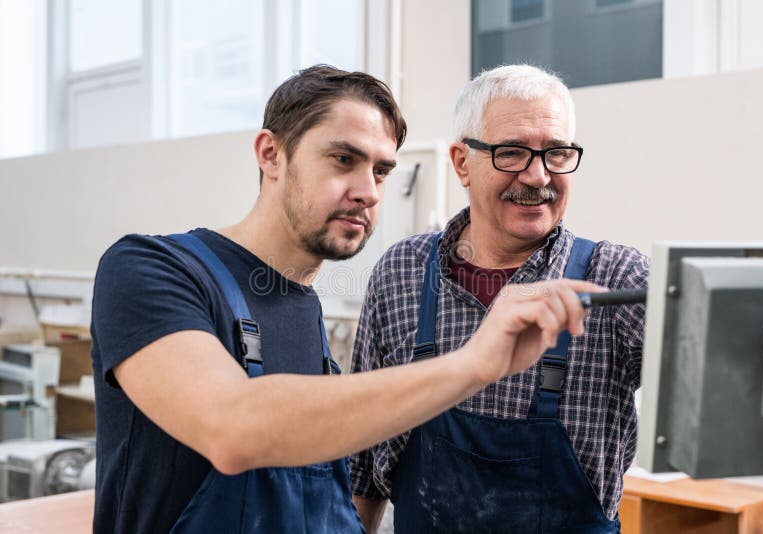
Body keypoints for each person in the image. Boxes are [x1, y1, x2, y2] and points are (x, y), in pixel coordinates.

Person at [90, 64, 604, 533]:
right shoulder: (151, 269)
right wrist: (473, 363)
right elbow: (234, 427)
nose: (369, 190)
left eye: (381, 171)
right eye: (343, 159)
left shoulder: (304, 311)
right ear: (271, 154)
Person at [349, 64, 649, 533]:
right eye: (512, 153)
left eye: (556, 153)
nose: (537, 176)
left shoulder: (613, 280)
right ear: (462, 162)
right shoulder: (402, 272)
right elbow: (364, 456)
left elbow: (715, 382)